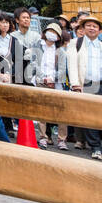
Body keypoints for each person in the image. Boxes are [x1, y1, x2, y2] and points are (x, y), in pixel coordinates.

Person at [65, 12, 102, 162]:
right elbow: (71, 65)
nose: (91, 28)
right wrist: (75, 83)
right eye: (88, 25)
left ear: (100, 29)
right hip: (87, 85)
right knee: (90, 117)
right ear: (82, 28)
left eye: (94, 26)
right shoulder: (75, 43)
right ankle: (96, 147)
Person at [32, 20, 69, 150]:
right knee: (42, 112)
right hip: (41, 83)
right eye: (50, 31)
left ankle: (61, 139)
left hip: (56, 84)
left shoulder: (61, 52)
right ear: (45, 32)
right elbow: (34, 64)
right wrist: (43, 78)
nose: (52, 34)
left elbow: (62, 70)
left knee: (60, 112)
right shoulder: (37, 48)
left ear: (59, 37)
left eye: (55, 32)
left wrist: (53, 79)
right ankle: (43, 138)